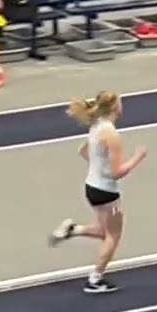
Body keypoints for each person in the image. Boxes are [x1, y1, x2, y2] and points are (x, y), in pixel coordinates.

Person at [48, 91, 146, 294]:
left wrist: (98, 168)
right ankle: (95, 278)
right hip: (107, 192)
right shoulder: (111, 135)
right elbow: (116, 172)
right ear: (114, 107)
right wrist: (138, 157)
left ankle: (73, 230)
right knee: (113, 235)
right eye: (120, 103)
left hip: (91, 187)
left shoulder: (96, 127)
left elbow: (82, 152)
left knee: (103, 231)